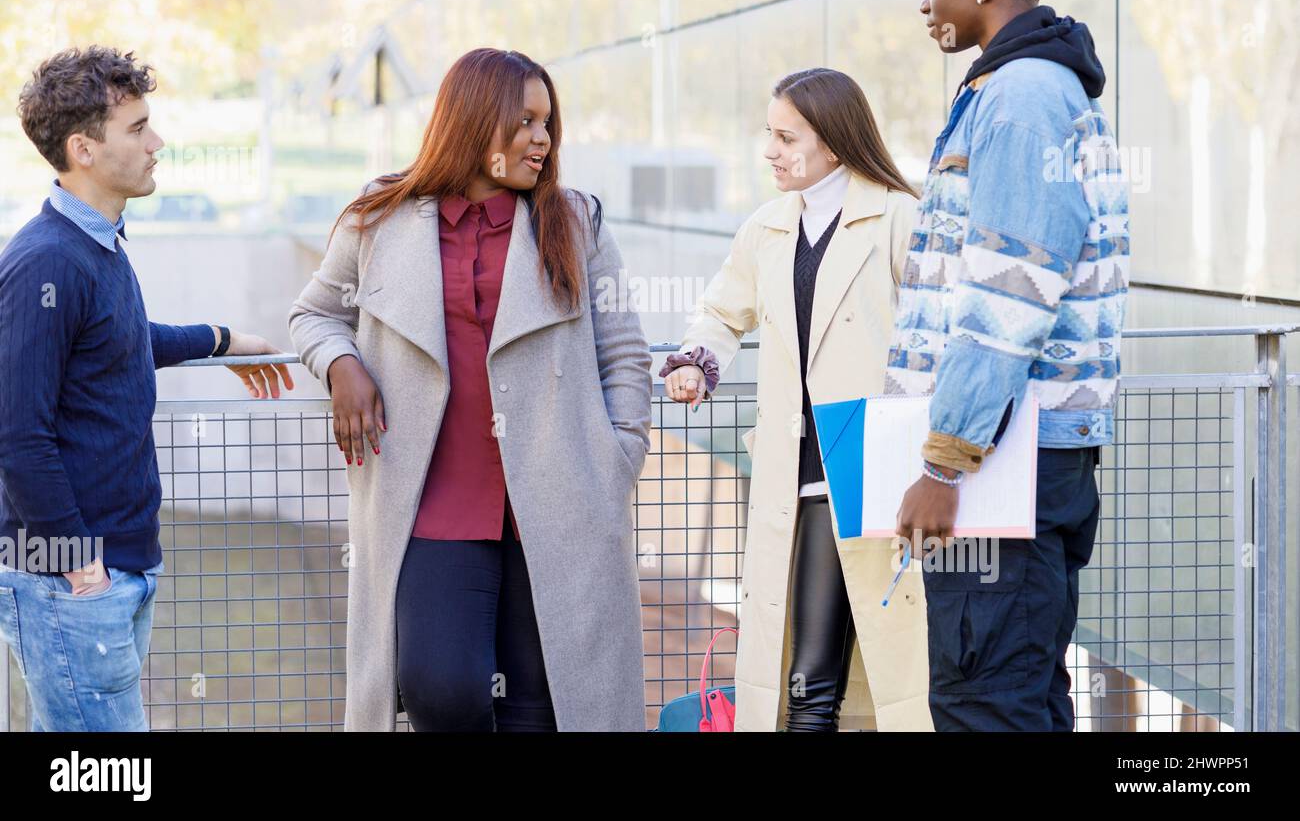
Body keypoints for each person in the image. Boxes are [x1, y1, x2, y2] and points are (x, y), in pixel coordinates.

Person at [288, 47, 652, 732]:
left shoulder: (576, 222)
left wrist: (617, 456)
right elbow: (314, 313)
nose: (542, 139)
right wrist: (343, 366)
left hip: (559, 498)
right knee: (439, 688)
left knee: (540, 706)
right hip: (432, 498)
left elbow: (624, 352)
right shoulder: (380, 216)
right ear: (473, 119)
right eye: (525, 121)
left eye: (549, 123)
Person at [0, 46, 293, 731]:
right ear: (84, 149)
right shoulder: (46, 261)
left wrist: (221, 341)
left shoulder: (96, 244)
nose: (157, 144)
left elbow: (120, 342)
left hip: (111, 571)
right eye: (137, 129)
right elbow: (17, 433)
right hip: (70, 582)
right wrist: (80, 572)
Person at [889, 0, 1130, 730]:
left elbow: (1008, 292)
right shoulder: (1027, 87)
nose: (927, 2)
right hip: (1020, 455)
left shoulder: (1023, 98)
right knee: (1018, 697)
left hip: (1002, 462)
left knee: (985, 704)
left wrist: (944, 463)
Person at [662, 68, 931, 731]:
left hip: (877, 476)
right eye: (769, 135)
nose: (770, 151)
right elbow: (721, 313)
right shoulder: (767, 228)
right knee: (807, 684)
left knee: (845, 684)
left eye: (787, 137)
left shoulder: (898, 215)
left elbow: (936, 334)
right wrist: (697, 362)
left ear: (835, 142)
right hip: (799, 477)